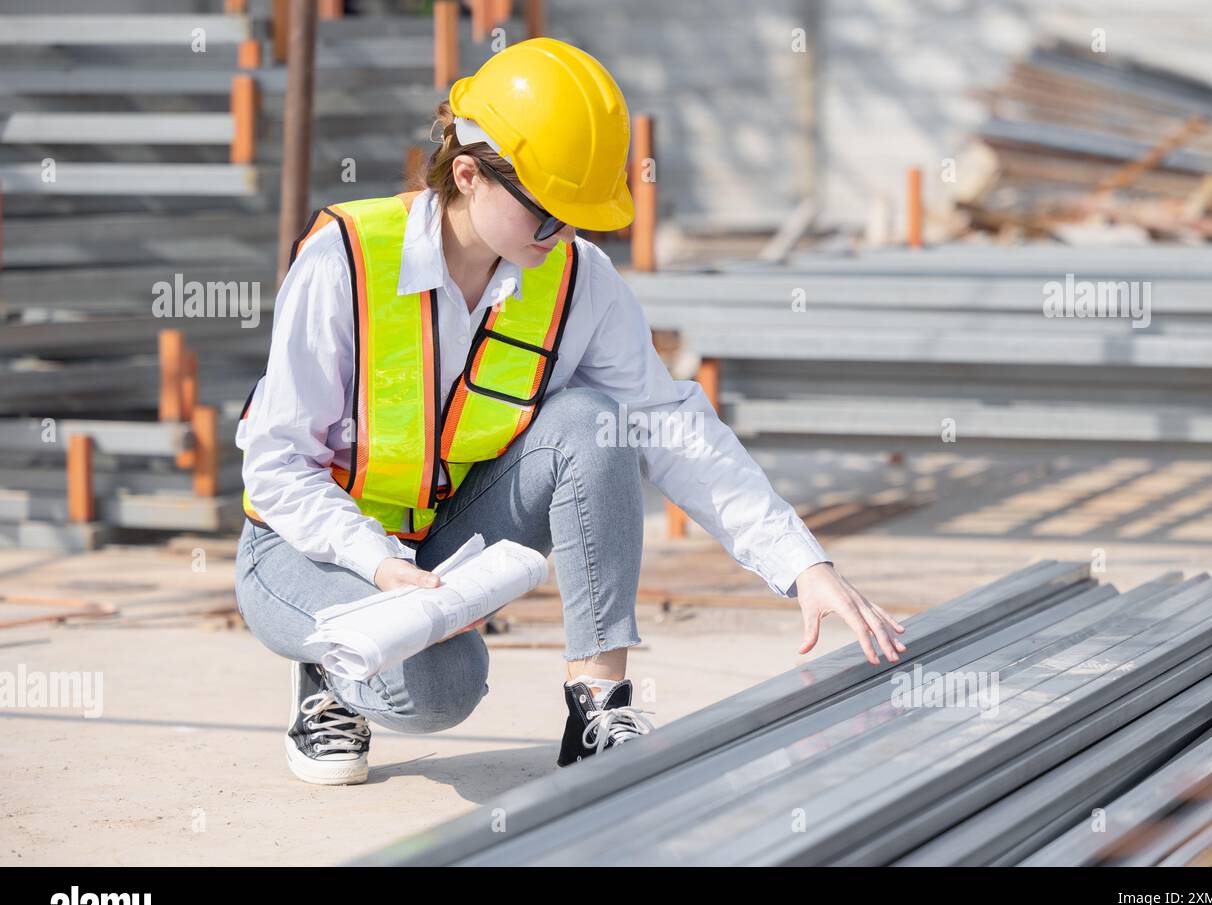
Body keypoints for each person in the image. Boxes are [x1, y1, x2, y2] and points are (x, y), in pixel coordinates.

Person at [233, 37, 905, 786]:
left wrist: (801, 565)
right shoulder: (345, 262)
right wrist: (377, 564)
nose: (563, 239)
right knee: (437, 690)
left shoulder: (576, 277)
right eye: (549, 217)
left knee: (594, 420)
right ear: (468, 175)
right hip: (310, 550)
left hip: (442, 541)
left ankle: (597, 706)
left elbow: (668, 424)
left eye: (578, 220)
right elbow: (276, 465)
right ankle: (328, 675)